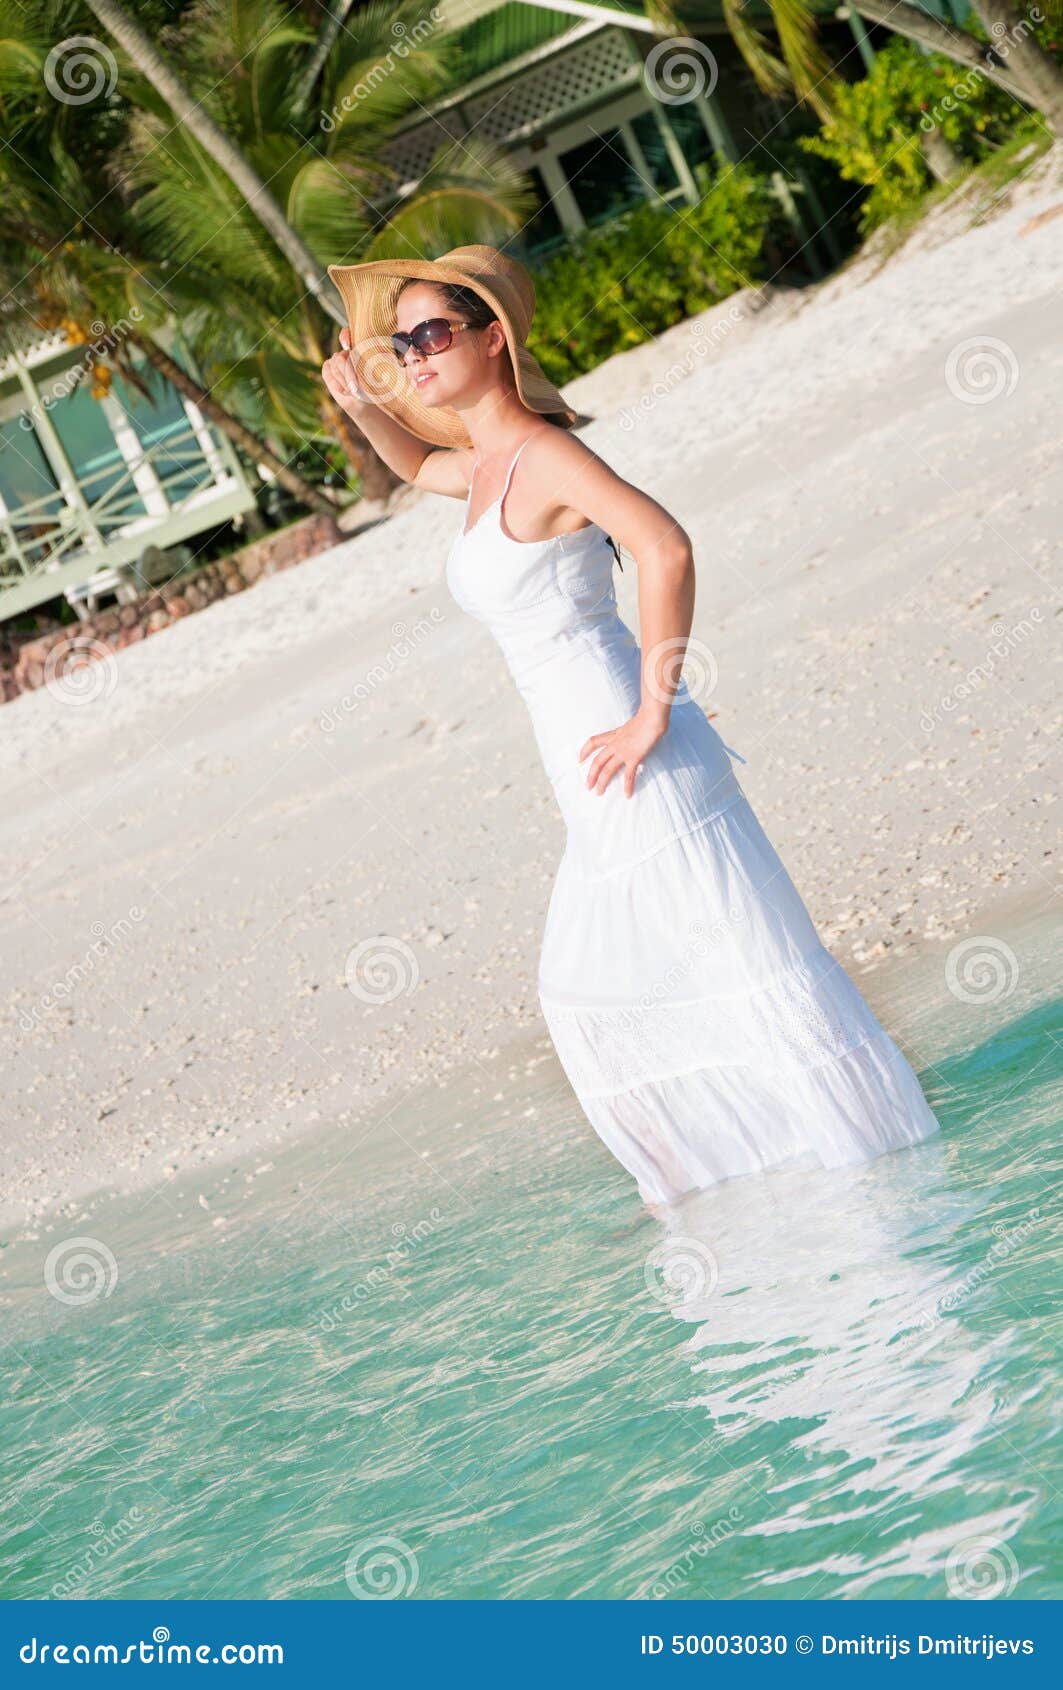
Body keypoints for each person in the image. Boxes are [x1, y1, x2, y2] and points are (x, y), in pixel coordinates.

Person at [321, 245, 940, 1206]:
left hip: (639, 754)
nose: (413, 353)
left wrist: (655, 705)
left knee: (724, 969)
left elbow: (664, 545)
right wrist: (364, 408)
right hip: (590, 773)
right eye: (401, 344)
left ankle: (872, 1181)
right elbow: (416, 465)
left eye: (431, 332)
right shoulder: (486, 467)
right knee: (613, 985)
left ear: (492, 336)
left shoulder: (549, 453)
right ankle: (772, 1193)